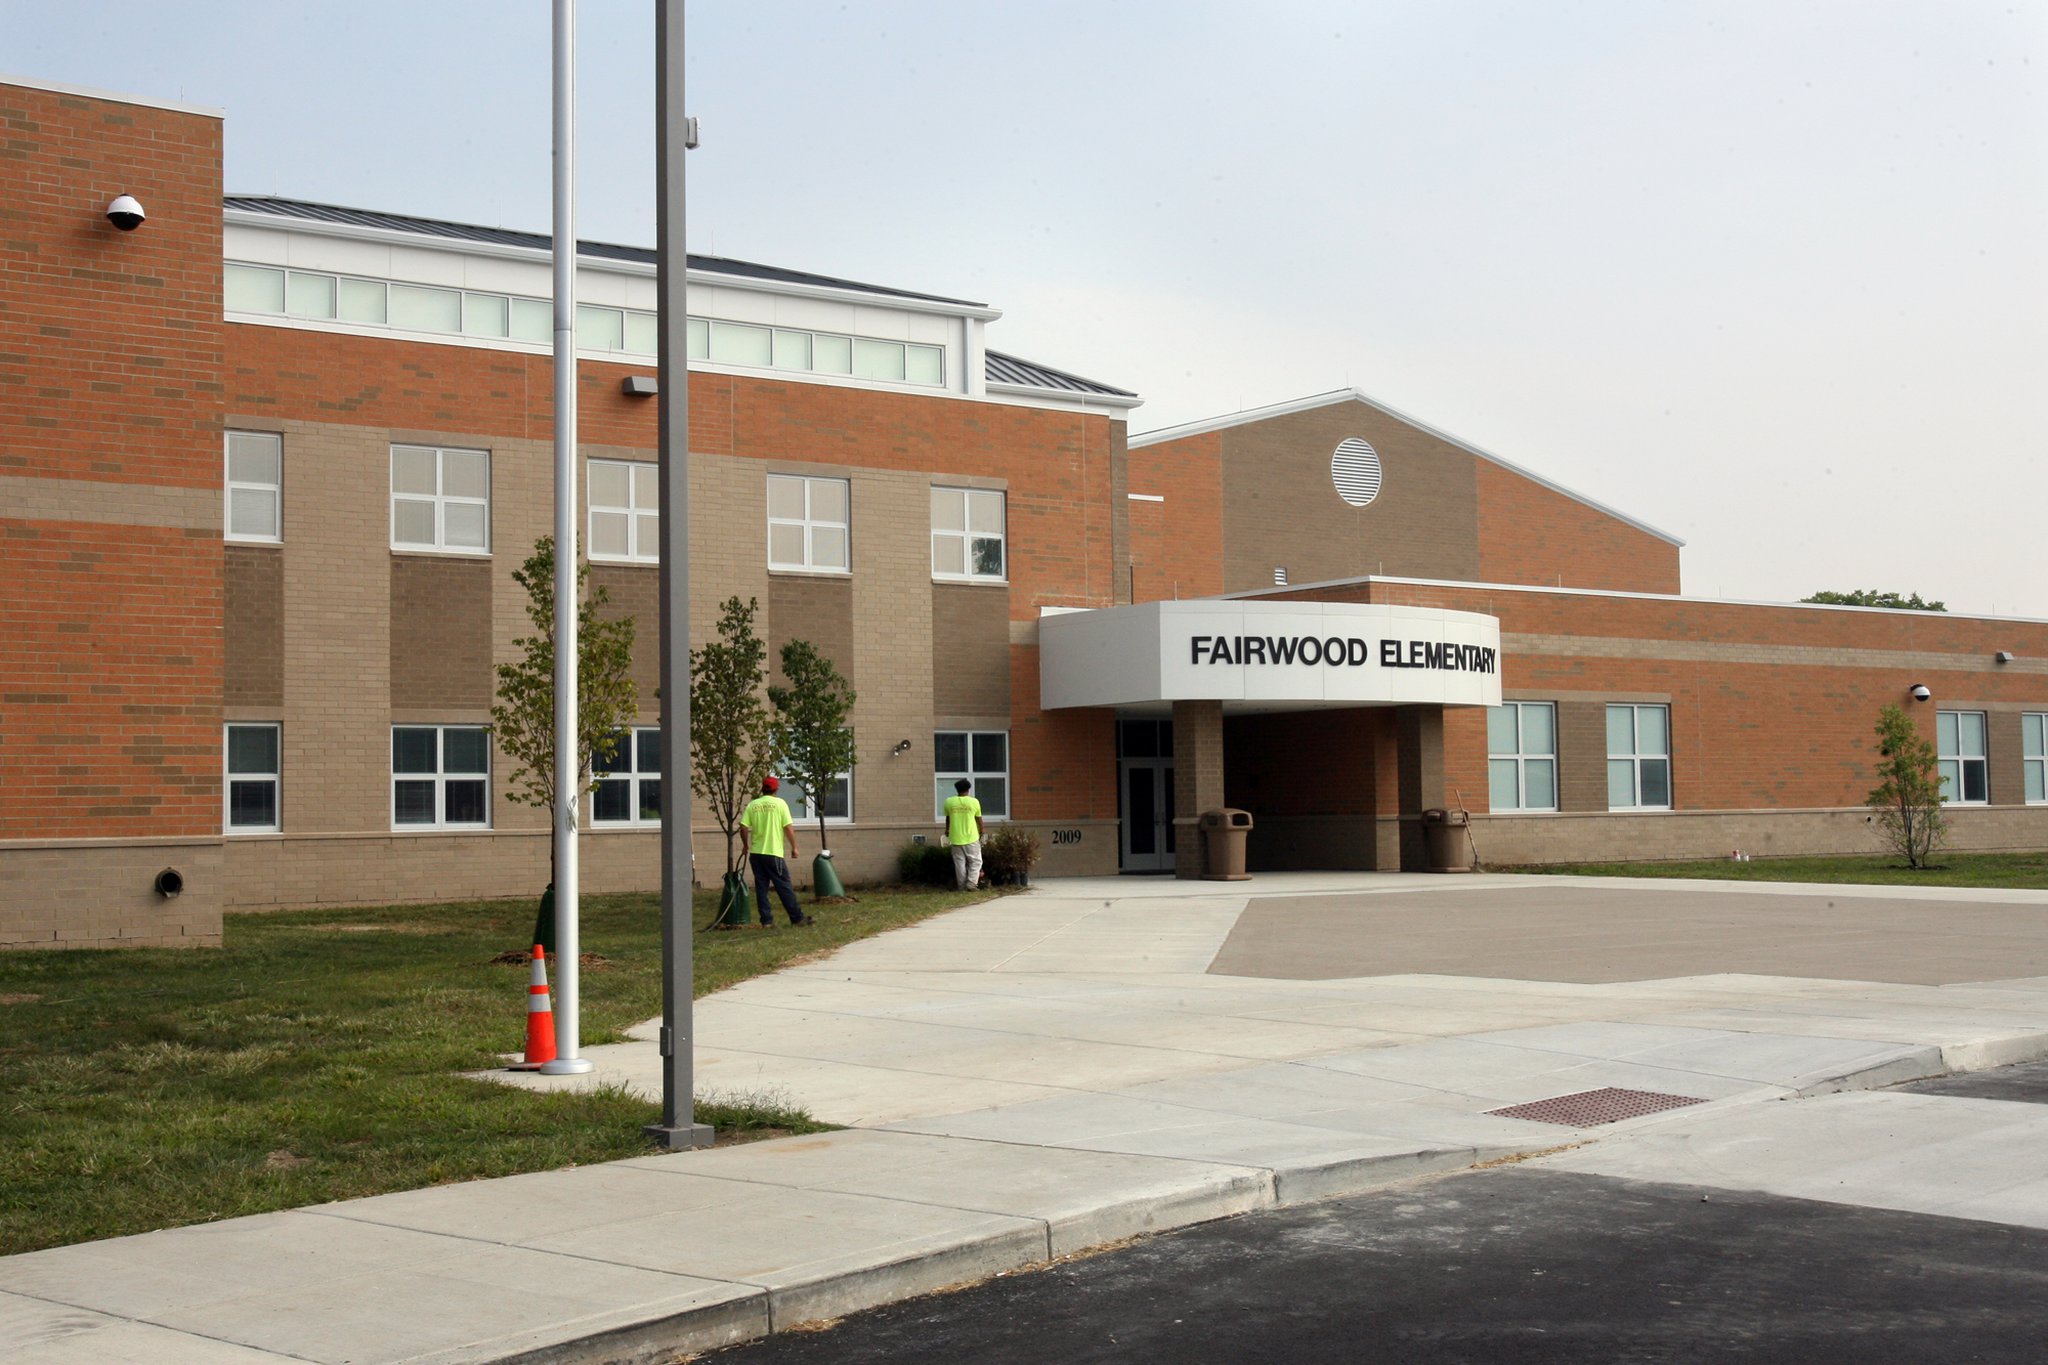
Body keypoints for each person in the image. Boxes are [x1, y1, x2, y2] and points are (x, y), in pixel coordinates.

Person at [740, 776, 810, 927]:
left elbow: (743, 827)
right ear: (776, 789)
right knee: (784, 886)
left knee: (761, 888)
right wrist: (794, 847)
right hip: (773, 854)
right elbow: (788, 828)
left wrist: (745, 845)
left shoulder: (753, 805)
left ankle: (766, 921)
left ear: (762, 789)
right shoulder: (780, 804)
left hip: (756, 855)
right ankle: (797, 918)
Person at [943, 777, 984, 891]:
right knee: (976, 861)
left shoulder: (949, 802)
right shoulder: (974, 802)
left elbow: (948, 818)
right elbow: (978, 818)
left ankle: (961, 887)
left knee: (959, 863)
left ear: (956, 789)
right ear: (968, 789)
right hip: (971, 837)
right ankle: (971, 884)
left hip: (955, 837)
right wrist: (982, 830)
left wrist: (947, 829)